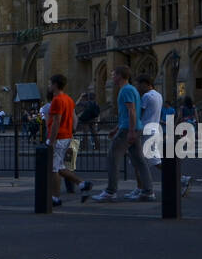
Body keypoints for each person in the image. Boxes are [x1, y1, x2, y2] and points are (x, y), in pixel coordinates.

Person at [92, 66, 154, 202]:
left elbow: (131, 111)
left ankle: (110, 191)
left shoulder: (125, 90)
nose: (112, 77)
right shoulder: (131, 89)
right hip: (133, 127)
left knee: (112, 158)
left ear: (120, 75)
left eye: (113, 74)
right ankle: (148, 191)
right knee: (139, 161)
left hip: (128, 129)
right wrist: (116, 128)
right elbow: (128, 114)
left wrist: (130, 131)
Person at [46, 74, 91, 207]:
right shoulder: (69, 99)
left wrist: (51, 141)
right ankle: (82, 184)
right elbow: (72, 118)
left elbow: (56, 121)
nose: (49, 86)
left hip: (58, 137)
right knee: (60, 167)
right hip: (66, 136)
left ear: (55, 85)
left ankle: (55, 197)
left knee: (54, 169)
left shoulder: (57, 100)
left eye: (50, 83)